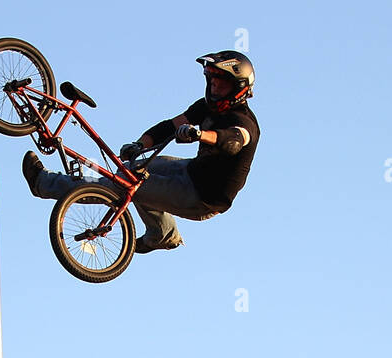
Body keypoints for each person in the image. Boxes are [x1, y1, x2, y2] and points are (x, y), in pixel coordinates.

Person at [23, 50, 259, 254]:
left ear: (239, 88)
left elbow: (232, 141)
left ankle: (44, 184)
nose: (215, 87)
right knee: (134, 169)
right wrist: (140, 144)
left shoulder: (244, 122)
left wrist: (200, 135)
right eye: (213, 80)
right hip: (191, 171)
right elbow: (169, 126)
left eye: (223, 83)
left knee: (124, 184)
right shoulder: (205, 106)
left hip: (203, 198)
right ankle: (162, 234)